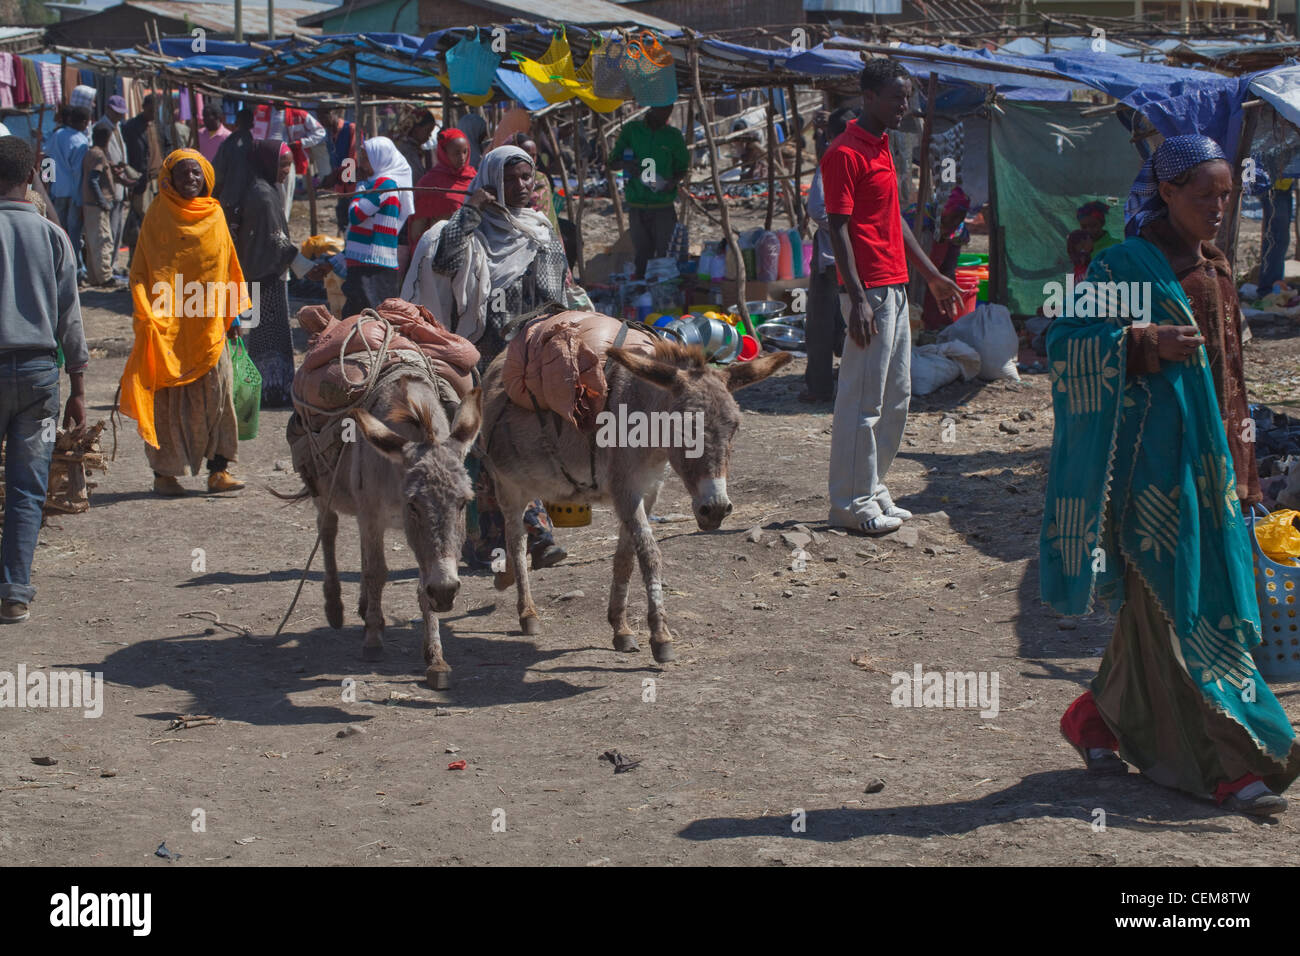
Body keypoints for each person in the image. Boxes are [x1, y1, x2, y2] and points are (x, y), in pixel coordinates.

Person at [1048, 135, 1300, 816]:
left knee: (1154, 611)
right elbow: (1064, 344)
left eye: (1226, 195)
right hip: (1149, 471)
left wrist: (1245, 469)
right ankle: (1229, 761)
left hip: (1213, 467)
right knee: (1193, 610)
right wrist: (1138, 344)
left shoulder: (1217, 266)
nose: (1218, 208)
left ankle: (1095, 717)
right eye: (1202, 195)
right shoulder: (1127, 265)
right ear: (1165, 192)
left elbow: (1231, 382)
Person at [405, 145, 590, 570]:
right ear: (490, 183)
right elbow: (446, 262)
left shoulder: (540, 231)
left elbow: (559, 291)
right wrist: (472, 211)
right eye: (511, 178)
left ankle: (527, 536)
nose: (522, 187)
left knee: (528, 443)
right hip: (476, 357)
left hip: (529, 357)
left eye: (527, 177)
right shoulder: (460, 234)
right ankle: (502, 540)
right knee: (486, 450)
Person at [822, 58, 963, 536]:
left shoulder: (883, 146)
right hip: (869, 294)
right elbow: (836, 228)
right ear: (869, 97)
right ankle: (849, 503)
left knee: (896, 396)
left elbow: (895, 219)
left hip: (896, 287)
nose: (905, 105)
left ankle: (873, 486)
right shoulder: (844, 152)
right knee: (861, 401)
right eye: (896, 97)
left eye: (908, 97)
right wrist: (857, 297)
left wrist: (932, 275)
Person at [119, 149, 249, 497]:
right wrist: (147, 315)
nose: (190, 180)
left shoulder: (215, 216)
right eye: (183, 174)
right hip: (167, 327)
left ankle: (218, 470)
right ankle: (164, 475)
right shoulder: (157, 216)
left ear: (206, 177)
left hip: (209, 325)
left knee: (220, 395)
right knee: (167, 404)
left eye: (196, 174)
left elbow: (229, 268)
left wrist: (233, 314)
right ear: (169, 179)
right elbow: (143, 270)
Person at [0, 136, 89, 624]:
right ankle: (14, 591)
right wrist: (77, 388)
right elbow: (70, 318)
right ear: (32, 177)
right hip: (38, 375)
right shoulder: (53, 236)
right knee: (26, 488)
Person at [235, 140, 299, 408]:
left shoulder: (266, 188)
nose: (286, 171)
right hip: (266, 275)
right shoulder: (263, 195)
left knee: (266, 333)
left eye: (288, 165)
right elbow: (277, 242)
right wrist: (305, 265)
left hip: (264, 272)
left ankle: (270, 389)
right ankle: (271, 390)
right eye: (282, 165)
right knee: (269, 335)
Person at [801, 105, 856, 404]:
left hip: (832, 259)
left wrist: (843, 222)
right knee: (845, 322)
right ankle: (844, 385)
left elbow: (818, 209)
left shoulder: (833, 160)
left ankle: (821, 388)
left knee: (821, 325)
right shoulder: (861, 155)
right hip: (849, 257)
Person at [608, 105, 689, 277]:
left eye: (669, 110)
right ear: (652, 108)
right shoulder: (632, 131)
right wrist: (626, 164)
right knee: (642, 256)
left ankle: (663, 295)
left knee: (665, 256)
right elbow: (612, 162)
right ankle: (642, 294)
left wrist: (672, 182)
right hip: (637, 203)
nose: (666, 114)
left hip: (663, 205)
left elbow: (682, 168)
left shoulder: (673, 136)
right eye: (662, 110)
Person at [339, 136, 413, 315]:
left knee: (367, 318)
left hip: (371, 264)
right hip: (369, 262)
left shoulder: (384, 185)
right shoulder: (378, 184)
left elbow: (355, 216)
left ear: (379, 158)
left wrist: (360, 190)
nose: (362, 164)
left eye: (365, 158)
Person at [904, 185, 972, 330]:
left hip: (933, 284)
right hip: (907, 278)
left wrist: (947, 281)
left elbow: (949, 265)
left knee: (935, 324)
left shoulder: (957, 232)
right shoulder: (917, 219)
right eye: (951, 218)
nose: (954, 223)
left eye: (959, 219)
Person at [122, 94, 172, 257]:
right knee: (140, 221)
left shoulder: (159, 126)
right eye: (150, 110)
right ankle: (136, 258)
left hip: (158, 180)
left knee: (158, 221)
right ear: (143, 107)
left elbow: (167, 146)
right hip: (142, 181)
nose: (152, 113)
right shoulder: (131, 127)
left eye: (154, 111)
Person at [407, 127, 475, 246]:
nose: (462, 157)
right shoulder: (429, 183)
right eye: (456, 153)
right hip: (438, 249)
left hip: (471, 247)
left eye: (465, 151)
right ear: (444, 153)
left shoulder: (474, 178)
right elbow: (416, 232)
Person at [48, 105, 91, 282]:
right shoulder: (81, 141)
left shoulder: (56, 135)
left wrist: (48, 184)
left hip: (57, 190)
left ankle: (59, 267)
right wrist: (79, 198)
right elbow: (77, 172)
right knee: (73, 234)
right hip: (74, 193)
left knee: (59, 231)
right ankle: (75, 270)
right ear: (82, 122)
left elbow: (47, 160)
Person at [94, 94, 133, 279]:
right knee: (109, 230)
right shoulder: (101, 128)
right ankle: (109, 266)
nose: (119, 116)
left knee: (116, 228)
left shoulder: (117, 128)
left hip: (119, 186)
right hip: (109, 187)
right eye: (116, 113)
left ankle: (114, 263)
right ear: (108, 109)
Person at [81, 124, 119, 287]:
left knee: (92, 242)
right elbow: (93, 180)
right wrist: (103, 202)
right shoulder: (98, 154)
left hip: (89, 203)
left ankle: (94, 276)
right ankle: (105, 277)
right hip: (97, 204)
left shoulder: (90, 152)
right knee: (103, 240)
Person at [507, 132, 560, 236]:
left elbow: (546, 215)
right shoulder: (502, 181)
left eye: (533, 155)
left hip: (546, 235)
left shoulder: (541, 178)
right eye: (525, 154)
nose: (530, 159)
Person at [212, 107, 255, 232]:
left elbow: (217, 173)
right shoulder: (254, 144)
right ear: (252, 124)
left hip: (230, 199)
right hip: (246, 199)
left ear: (236, 123)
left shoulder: (228, 144)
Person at [318, 107, 356, 235]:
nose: (322, 121)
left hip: (353, 186)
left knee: (354, 220)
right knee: (342, 219)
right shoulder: (328, 134)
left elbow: (353, 160)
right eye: (319, 118)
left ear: (332, 113)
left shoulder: (350, 129)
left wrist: (334, 176)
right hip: (341, 187)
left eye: (324, 117)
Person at [395, 105, 437, 180]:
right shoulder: (406, 150)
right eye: (427, 131)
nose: (430, 135)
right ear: (416, 129)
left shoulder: (414, 148)